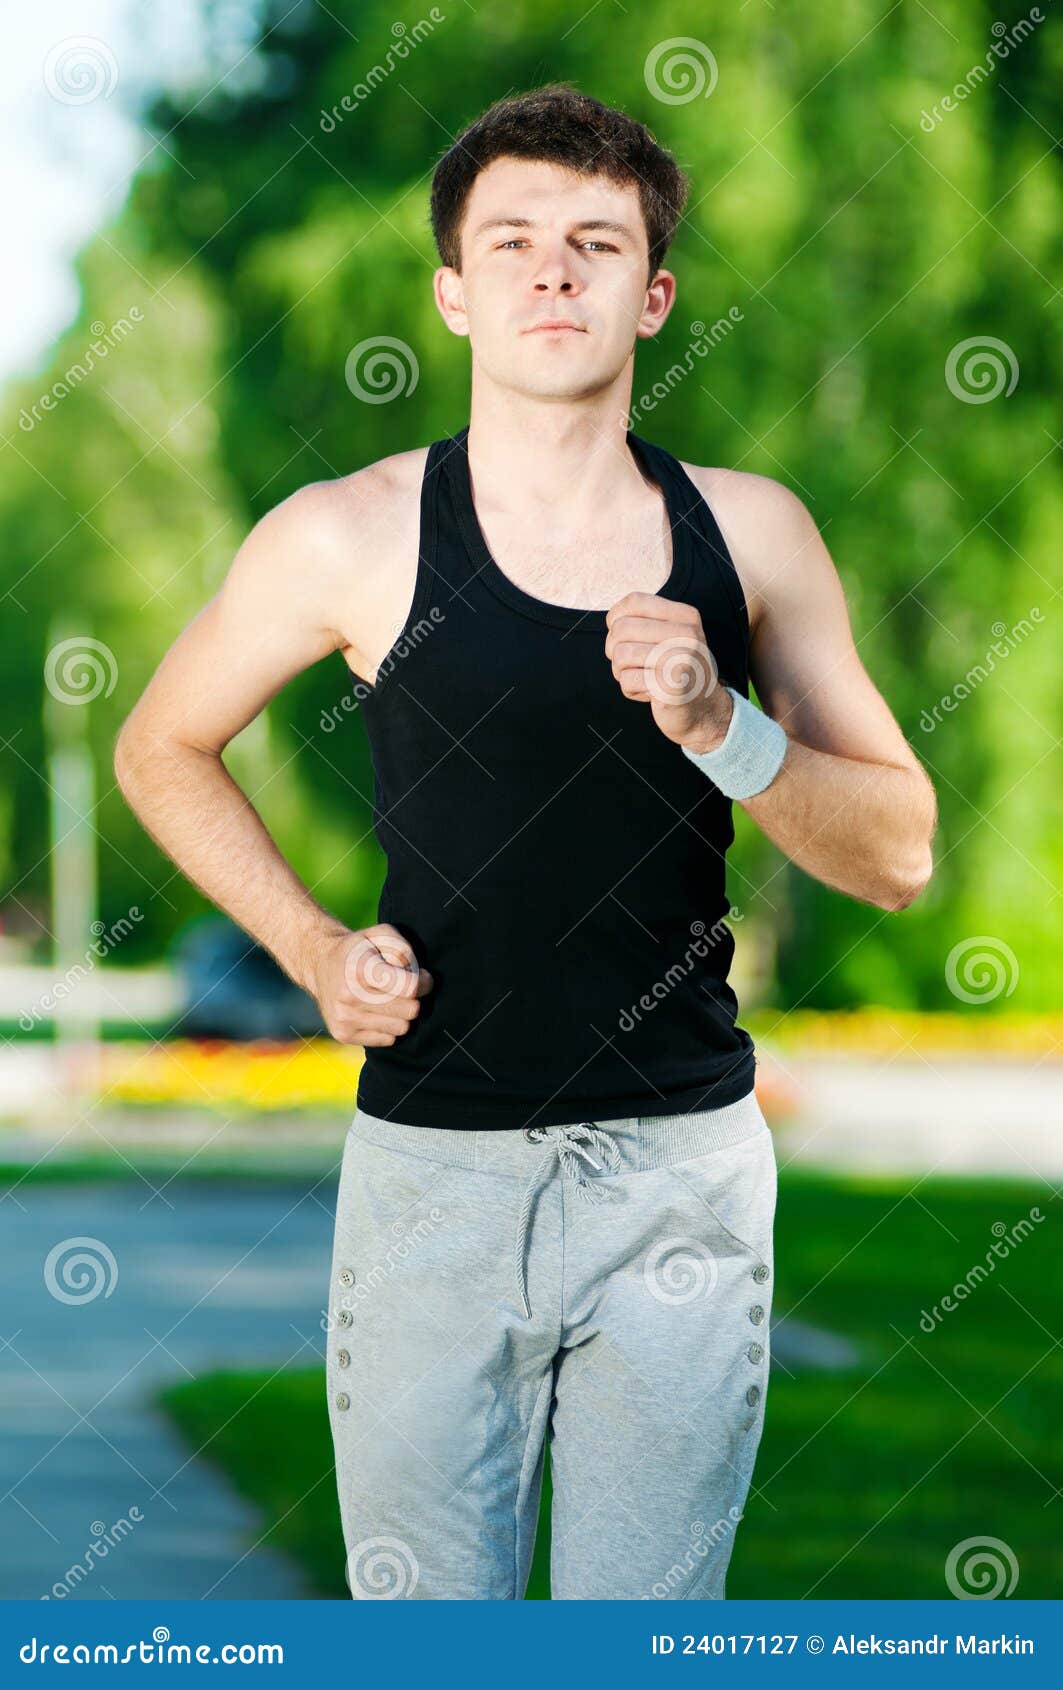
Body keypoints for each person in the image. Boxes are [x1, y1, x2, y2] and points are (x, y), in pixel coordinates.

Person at [115, 85, 936, 1601]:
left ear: (654, 291)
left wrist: (726, 727)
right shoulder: (345, 535)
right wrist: (307, 947)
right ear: (454, 291)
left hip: (679, 1171)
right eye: (513, 243)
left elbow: (898, 851)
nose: (553, 272)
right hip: (433, 1173)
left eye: (594, 242)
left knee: (640, 1640)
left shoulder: (752, 536)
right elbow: (158, 743)